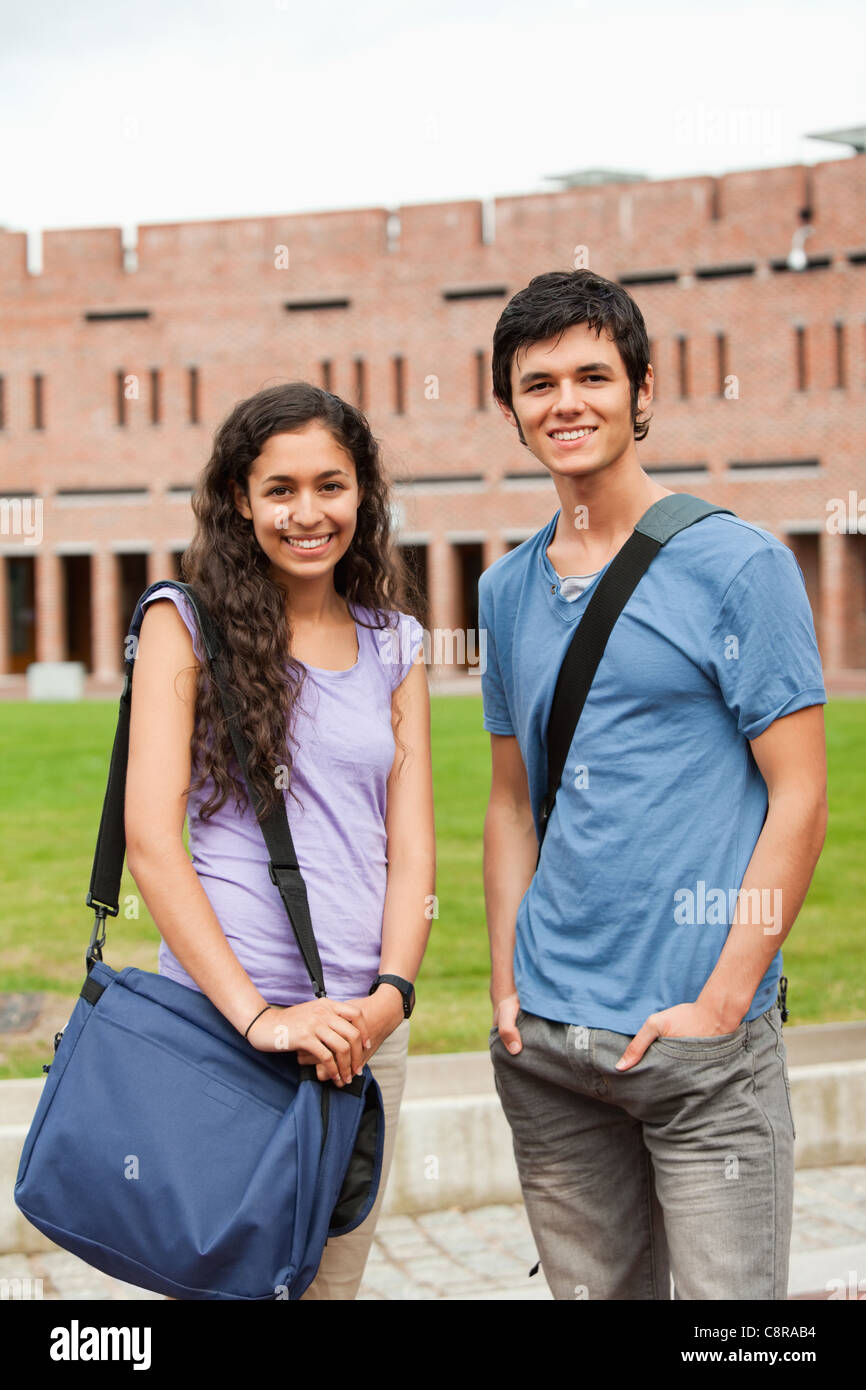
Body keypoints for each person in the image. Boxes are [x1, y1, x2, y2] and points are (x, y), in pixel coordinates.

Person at [478, 269, 828, 1301]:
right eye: (536, 384)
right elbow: (507, 799)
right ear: (510, 410)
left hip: (698, 1048)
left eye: (591, 374)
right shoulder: (502, 589)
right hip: (548, 1044)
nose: (564, 402)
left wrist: (723, 998)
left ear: (641, 392)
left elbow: (799, 797)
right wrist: (506, 981)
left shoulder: (736, 565)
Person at [125, 381, 435, 1300]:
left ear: (364, 494)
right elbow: (152, 840)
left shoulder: (397, 643)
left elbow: (411, 851)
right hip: (225, 1028)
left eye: (331, 486)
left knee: (327, 1288)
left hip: (361, 1038)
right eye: (282, 489)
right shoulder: (182, 625)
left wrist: (389, 1000)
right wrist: (259, 1016)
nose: (309, 514)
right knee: (209, 1284)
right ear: (239, 500)